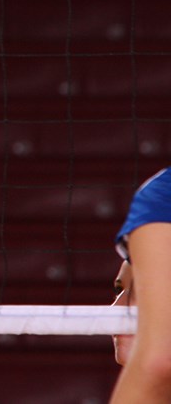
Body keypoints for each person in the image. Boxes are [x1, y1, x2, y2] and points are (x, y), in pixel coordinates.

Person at [112, 167, 171, 399]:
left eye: (140, 289)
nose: (116, 309)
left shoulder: (162, 196)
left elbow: (159, 360)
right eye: (118, 290)